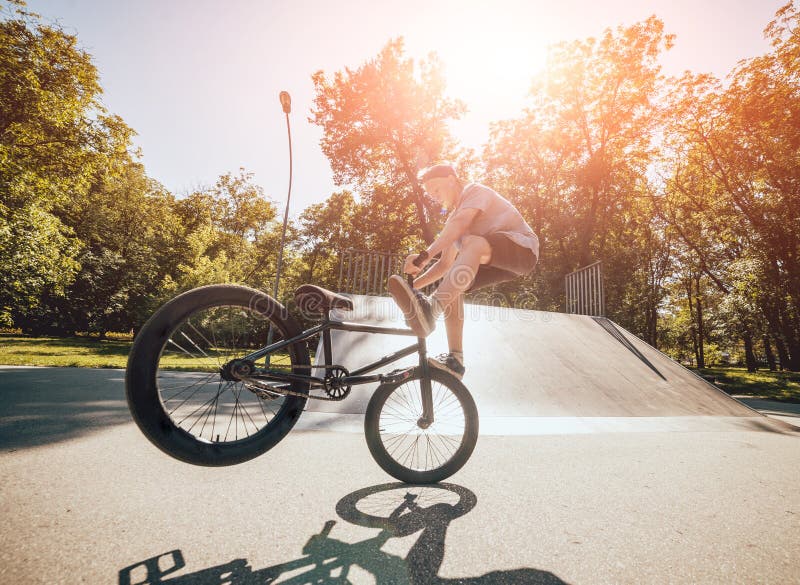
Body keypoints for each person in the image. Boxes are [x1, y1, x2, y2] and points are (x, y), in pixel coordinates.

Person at [388, 163, 539, 380]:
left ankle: (432, 309)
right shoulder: (453, 223)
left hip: (522, 250)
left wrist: (423, 257)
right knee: (454, 284)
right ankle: (455, 360)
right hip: (495, 262)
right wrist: (410, 288)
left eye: (437, 190)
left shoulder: (474, 192)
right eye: (431, 195)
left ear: (451, 179)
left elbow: (460, 225)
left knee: (473, 243)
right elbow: (444, 266)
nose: (435, 197)